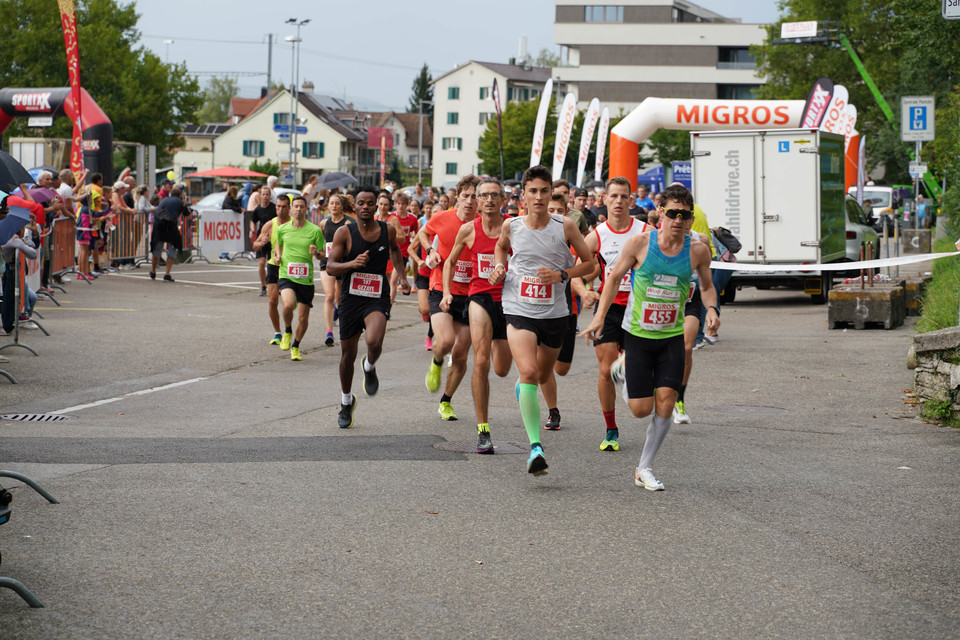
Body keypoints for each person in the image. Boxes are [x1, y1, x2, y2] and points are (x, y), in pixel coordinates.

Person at [580, 183, 719, 491]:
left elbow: (707, 285)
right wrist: (600, 318)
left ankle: (644, 467)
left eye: (684, 215)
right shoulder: (640, 243)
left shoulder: (697, 250)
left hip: (670, 336)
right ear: (660, 213)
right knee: (641, 409)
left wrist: (711, 309)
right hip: (638, 336)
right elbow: (613, 279)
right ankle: (624, 366)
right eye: (672, 213)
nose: (678, 220)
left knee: (666, 402)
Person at [488, 165, 595, 476]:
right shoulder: (512, 225)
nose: (538, 196)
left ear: (552, 195)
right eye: (532, 191)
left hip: (555, 313)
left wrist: (561, 274)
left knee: (544, 374)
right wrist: (499, 266)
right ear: (523, 195)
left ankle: (526, 391)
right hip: (518, 308)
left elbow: (588, 264)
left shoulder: (565, 227)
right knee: (530, 371)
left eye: (543, 191)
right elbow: (500, 248)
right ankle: (535, 447)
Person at [326, 187, 411, 428]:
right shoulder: (345, 232)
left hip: (376, 297)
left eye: (370, 203)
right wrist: (352, 263)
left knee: (374, 341)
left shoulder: (388, 230)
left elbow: (395, 250)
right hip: (351, 299)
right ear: (355, 207)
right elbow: (330, 266)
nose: (365, 206)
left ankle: (370, 365)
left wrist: (403, 276)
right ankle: (346, 401)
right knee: (347, 355)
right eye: (361, 203)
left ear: (377, 206)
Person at [579, 176, 652, 451]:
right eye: (614, 196)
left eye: (624, 196)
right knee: (605, 370)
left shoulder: (646, 231)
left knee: (635, 364)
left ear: (631, 200)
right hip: (608, 308)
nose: (619, 201)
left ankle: (633, 369)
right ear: (605, 200)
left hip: (640, 307)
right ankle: (610, 428)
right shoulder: (597, 236)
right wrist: (585, 290)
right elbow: (577, 269)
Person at [443, 177, 512, 454]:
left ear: (503, 200)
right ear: (478, 201)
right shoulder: (468, 230)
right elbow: (449, 261)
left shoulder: (513, 227)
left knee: (502, 368)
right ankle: (483, 429)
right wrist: (447, 292)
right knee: (481, 359)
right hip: (479, 295)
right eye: (484, 195)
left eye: (495, 195)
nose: (489, 200)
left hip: (508, 300)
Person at [416, 175, 480, 421]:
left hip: (470, 295)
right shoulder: (442, 218)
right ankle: (437, 361)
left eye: (475, 196)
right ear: (458, 197)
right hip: (440, 287)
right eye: (466, 196)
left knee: (462, 354)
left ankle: (446, 401)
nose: (470, 201)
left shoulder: (483, 223)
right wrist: (430, 249)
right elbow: (423, 233)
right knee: (445, 342)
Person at [274, 195, 325, 361]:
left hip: (305, 279)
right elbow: (278, 243)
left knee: (303, 318)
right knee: (288, 305)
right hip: (286, 274)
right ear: (291, 208)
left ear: (306, 208)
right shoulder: (283, 229)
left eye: (301, 206)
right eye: (295, 206)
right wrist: (277, 255)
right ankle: (287, 330)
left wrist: (316, 253)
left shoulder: (315, 230)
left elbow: (322, 254)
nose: (298, 209)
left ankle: (295, 346)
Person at [253, 194, 292, 346]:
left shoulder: (294, 224)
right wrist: (261, 243)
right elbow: (255, 245)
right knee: (272, 300)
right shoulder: (270, 224)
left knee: (288, 303)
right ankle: (278, 333)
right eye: (278, 206)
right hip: (274, 265)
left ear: (289, 208)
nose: (280, 210)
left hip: (290, 267)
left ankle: (288, 327)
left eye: (284, 207)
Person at [318, 193, 354, 346]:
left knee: (340, 299)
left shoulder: (347, 224)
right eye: (331, 203)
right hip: (327, 263)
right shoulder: (324, 223)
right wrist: (317, 252)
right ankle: (329, 332)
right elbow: (322, 242)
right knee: (329, 296)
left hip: (341, 264)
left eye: (337, 203)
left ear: (342, 206)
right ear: (328, 206)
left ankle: (345, 323)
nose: (334, 206)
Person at [150, 186, 191, 282]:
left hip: (159, 225)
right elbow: (188, 217)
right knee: (172, 249)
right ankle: (167, 274)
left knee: (157, 250)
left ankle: (153, 271)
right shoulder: (181, 203)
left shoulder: (163, 200)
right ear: (180, 196)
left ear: (171, 194)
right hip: (171, 226)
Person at [250, 186, 276, 296]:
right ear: (260, 196)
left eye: (267, 194)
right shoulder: (258, 209)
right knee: (261, 262)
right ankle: (263, 286)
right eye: (263, 194)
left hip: (273, 238)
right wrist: (252, 230)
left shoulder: (274, 208)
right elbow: (253, 220)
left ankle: (275, 284)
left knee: (272, 264)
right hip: (262, 237)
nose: (265, 196)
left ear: (270, 196)